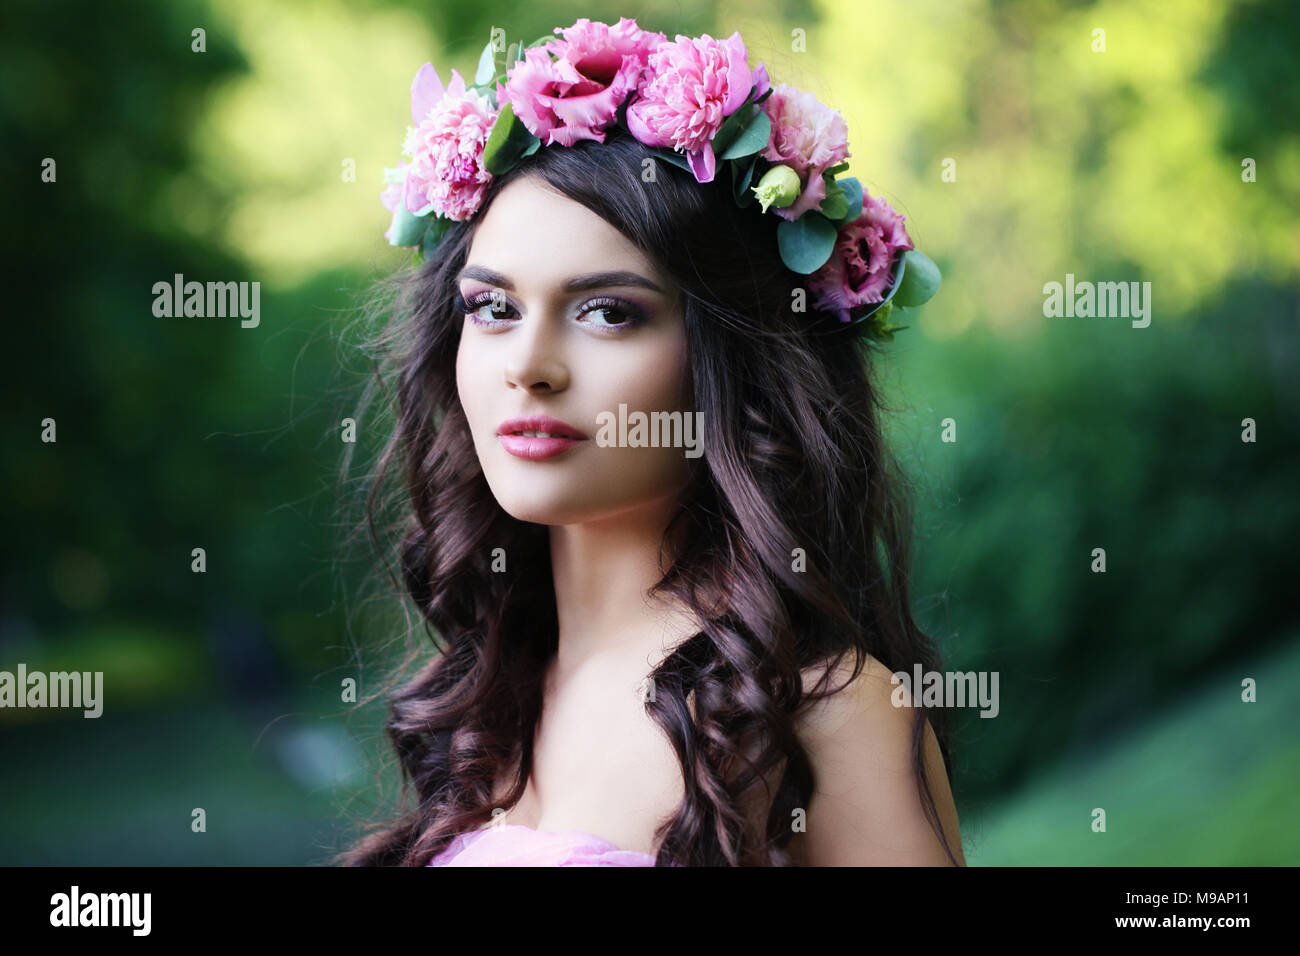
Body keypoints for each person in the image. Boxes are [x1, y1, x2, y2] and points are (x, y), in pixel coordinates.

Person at [336, 20, 963, 866]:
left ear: (730, 362)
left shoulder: (826, 716)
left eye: (608, 312)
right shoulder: (483, 708)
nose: (529, 367)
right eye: (493, 308)